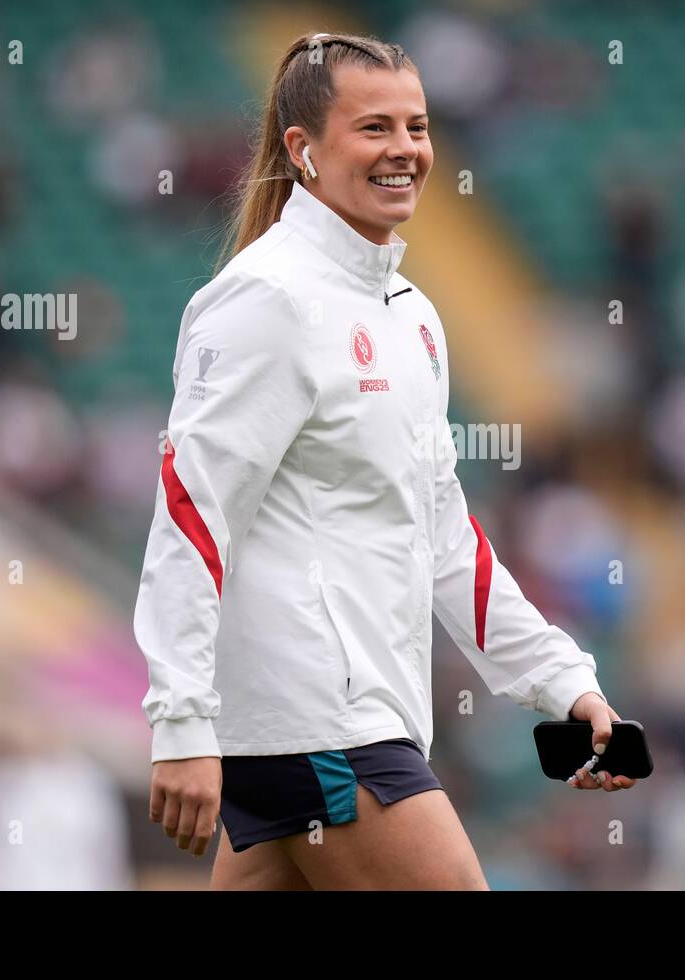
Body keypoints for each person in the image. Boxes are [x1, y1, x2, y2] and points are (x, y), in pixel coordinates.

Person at [134, 31, 636, 891]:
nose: (405, 149)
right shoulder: (269, 298)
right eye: (374, 128)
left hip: (334, 726)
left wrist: (566, 685)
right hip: (323, 725)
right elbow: (191, 510)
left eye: (417, 125)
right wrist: (179, 720)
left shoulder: (412, 315)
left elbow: (446, 539)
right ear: (304, 151)